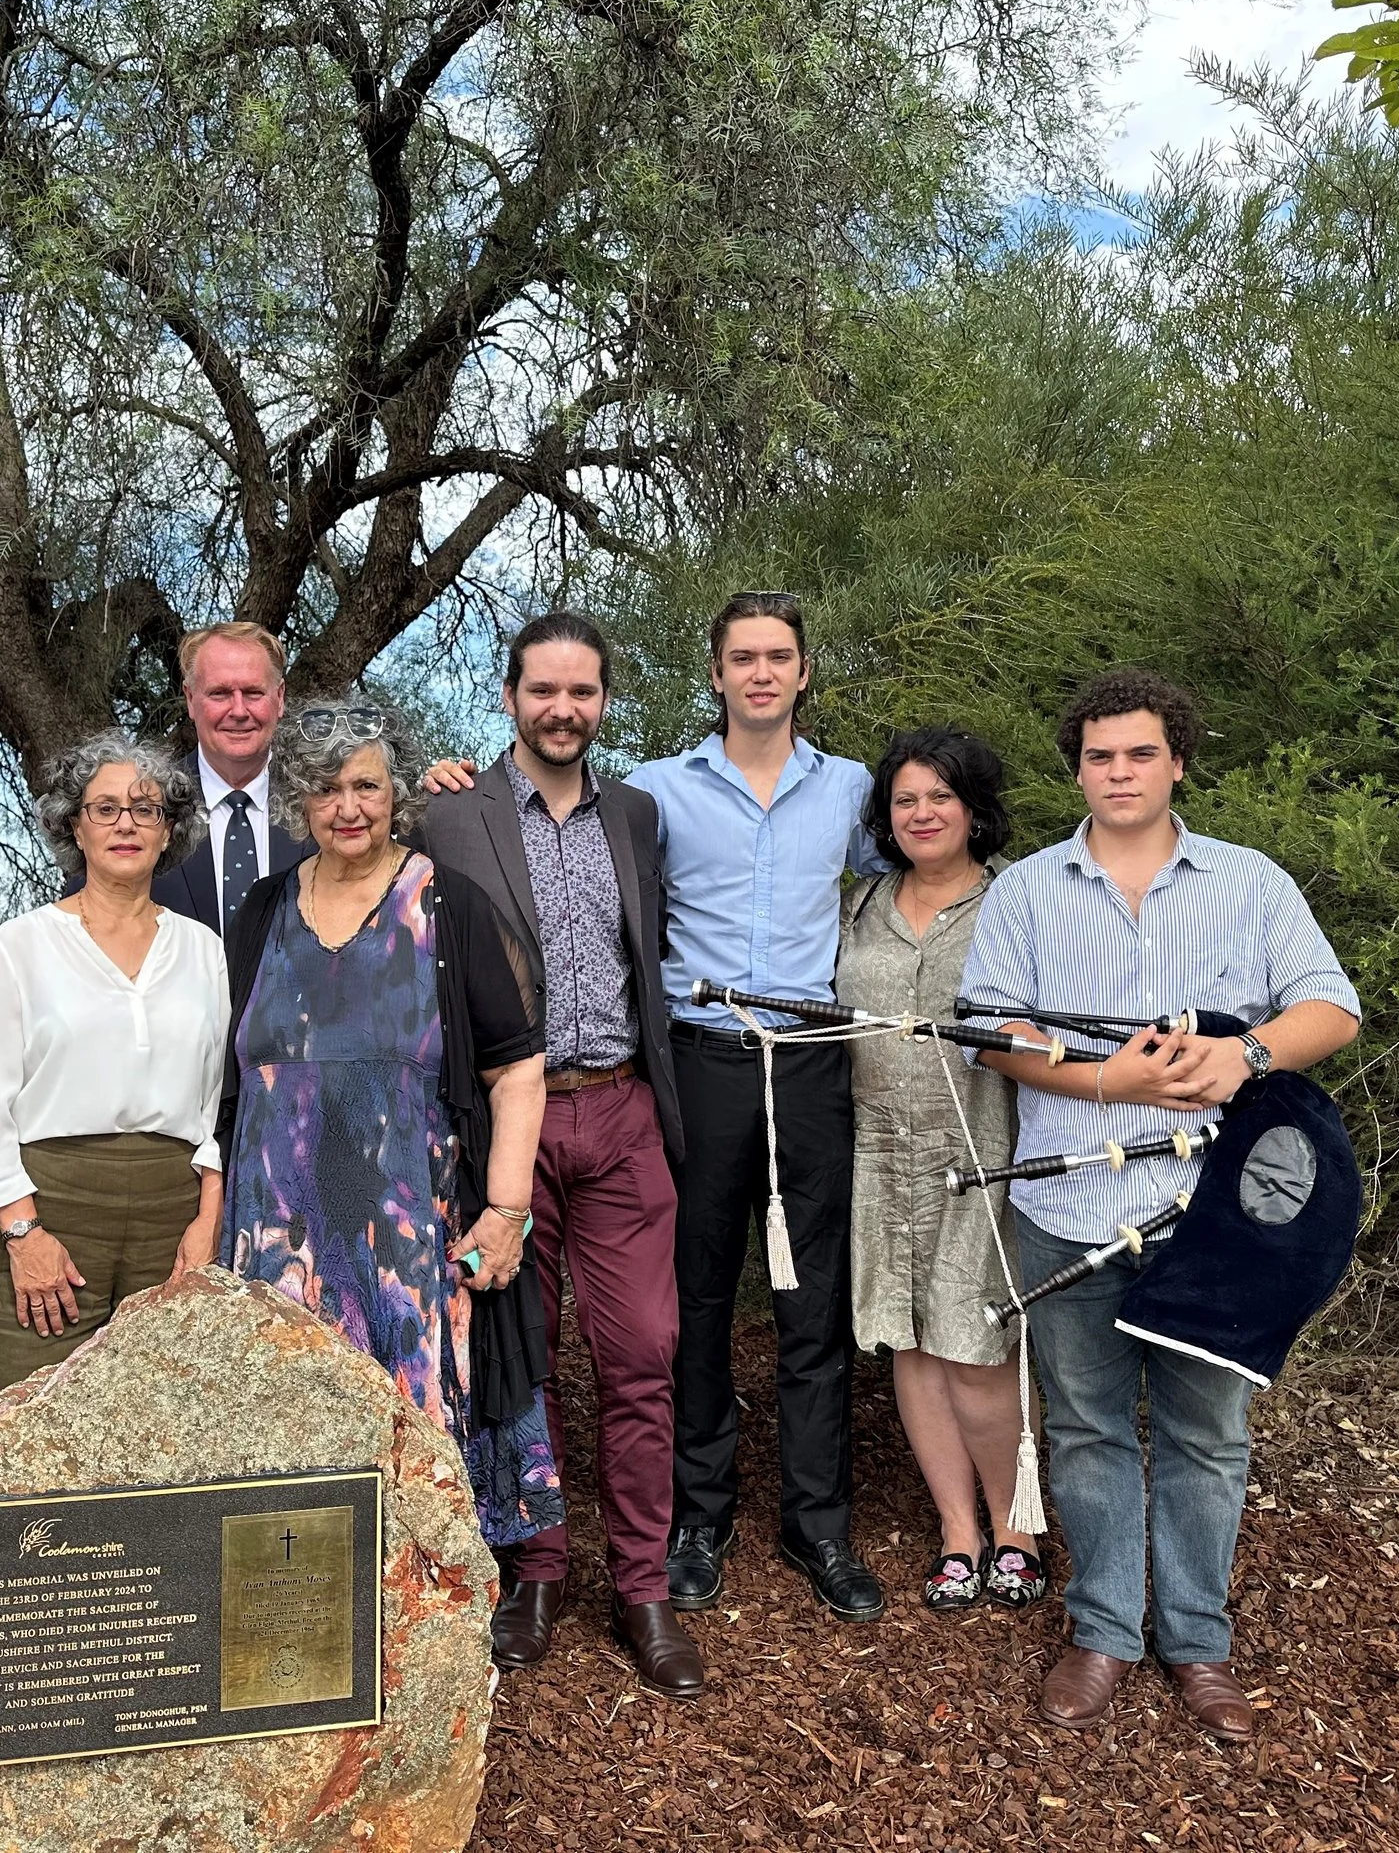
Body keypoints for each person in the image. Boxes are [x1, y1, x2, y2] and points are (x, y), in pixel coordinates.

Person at [960, 669, 1361, 1742]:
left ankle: (1197, 1644)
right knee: (1087, 1431)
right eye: (1099, 756)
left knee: (1206, 1435)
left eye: (1139, 753)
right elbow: (995, 1031)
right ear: (1077, 768)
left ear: (1176, 760)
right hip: (1069, 1206)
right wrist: (1106, 1081)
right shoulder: (1028, 892)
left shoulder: (1250, 883)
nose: (1119, 772)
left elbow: (1335, 1005)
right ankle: (1101, 1634)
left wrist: (1250, 1054)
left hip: (1211, 1220)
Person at [418, 613, 702, 1698]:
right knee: (515, 1360)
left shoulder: (634, 815)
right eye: (544, 690)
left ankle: (642, 1587)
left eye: (583, 692)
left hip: (624, 1114)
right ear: (508, 697)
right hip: (506, 1132)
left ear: (603, 702)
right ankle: (531, 1567)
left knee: (643, 1357)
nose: (563, 709)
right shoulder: (450, 812)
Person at [216, 697, 564, 1551]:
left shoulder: (447, 904)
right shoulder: (261, 913)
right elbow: (226, 1083)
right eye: (327, 788)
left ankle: (416, 1642)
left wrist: (508, 1211)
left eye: (366, 784)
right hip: (275, 1253)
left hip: (404, 1254)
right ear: (300, 798)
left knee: (412, 1469)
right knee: (281, 1463)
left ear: (394, 789)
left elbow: (517, 1069)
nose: (349, 806)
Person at [632, 593, 884, 1622]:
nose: (761, 674)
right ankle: (700, 1515)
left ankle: (817, 1521)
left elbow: (910, 880)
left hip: (812, 1064)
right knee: (693, 1297)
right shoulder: (654, 791)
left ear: (804, 671)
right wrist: (451, 786)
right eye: (742, 657)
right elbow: (558, 848)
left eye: (778, 656)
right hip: (700, 1065)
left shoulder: (855, 790)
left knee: (809, 1299)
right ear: (716, 673)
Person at [837, 727, 1046, 1613]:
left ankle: (1018, 1528)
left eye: (940, 796)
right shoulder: (858, 904)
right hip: (879, 1147)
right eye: (905, 799)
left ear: (973, 808)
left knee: (978, 1343)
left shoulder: (1018, 900)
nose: (922, 813)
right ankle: (959, 1532)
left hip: (983, 1150)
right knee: (911, 1336)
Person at [0, 732, 229, 1396]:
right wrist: (23, 1233)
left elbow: (219, 1103)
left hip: (172, 1213)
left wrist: (207, 1220)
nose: (126, 823)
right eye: (105, 808)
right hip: (51, 1208)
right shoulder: (20, 946)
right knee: (21, 1420)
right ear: (73, 824)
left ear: (171, 829)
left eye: (146, 808)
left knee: (163, 1420)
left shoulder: (203, 951)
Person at [149, 622, 313, 930]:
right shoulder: (145, 807)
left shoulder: (323, 802)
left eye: (253, 693)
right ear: (189, 699)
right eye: (220, 693)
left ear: (279, 698)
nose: (238, 711)